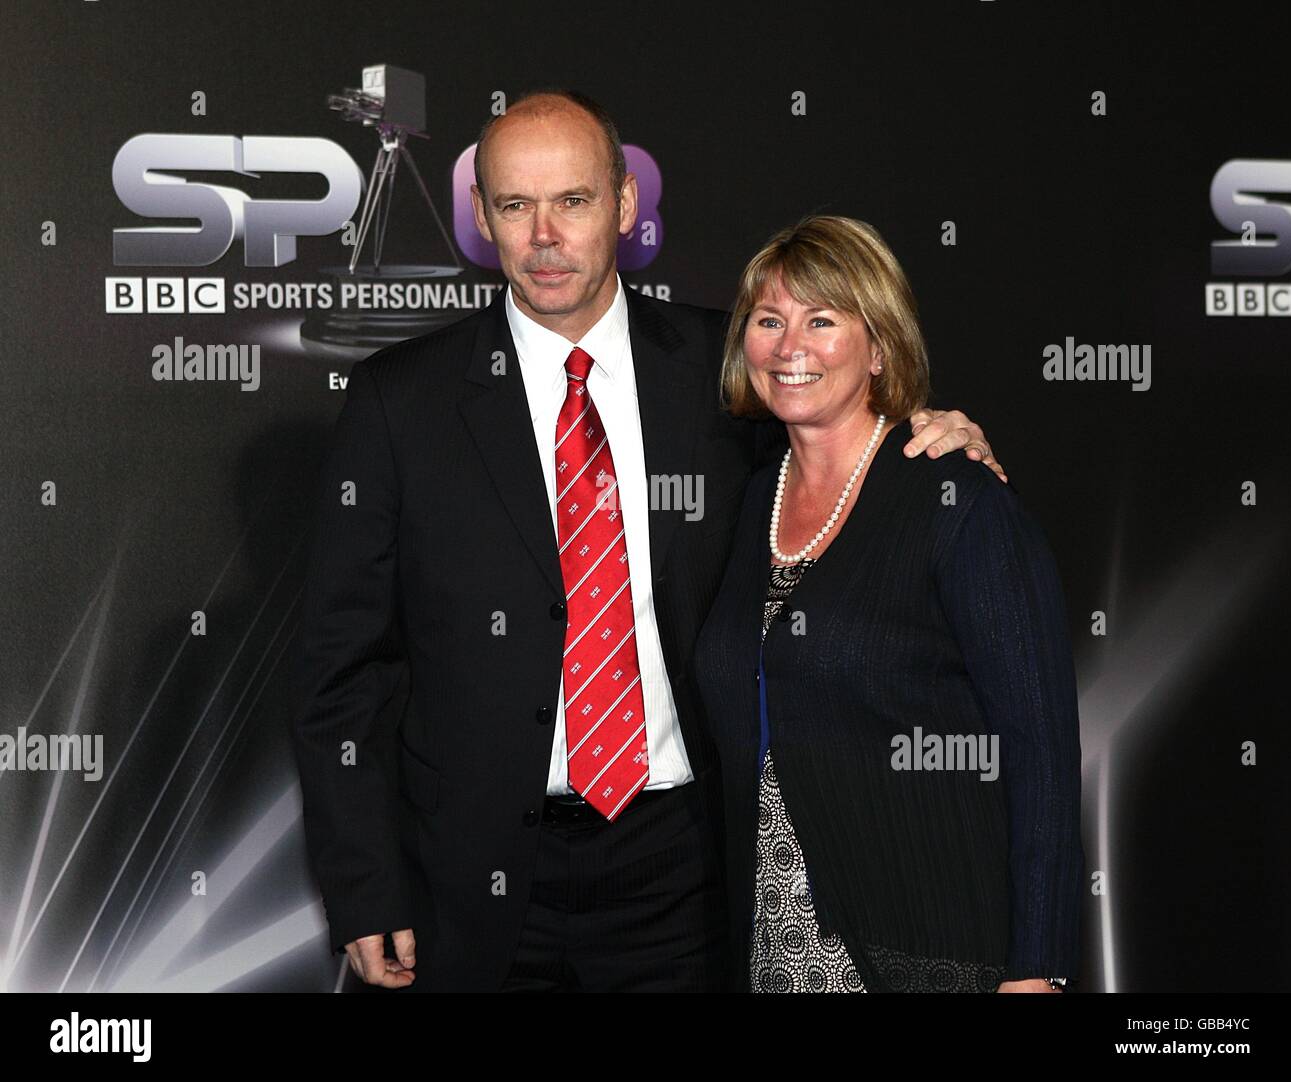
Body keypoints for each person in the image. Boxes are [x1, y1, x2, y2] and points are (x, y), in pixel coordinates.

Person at [288, 91, 1005, 992]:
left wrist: (925, 438)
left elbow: (842, 460)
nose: (544, 235)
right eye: (515, 205)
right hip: (469, 883)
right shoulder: (402, 401)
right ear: (481, 218)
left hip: (689, 871)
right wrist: (363, 885)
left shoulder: (733, 374)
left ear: (626, 206)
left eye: (574, 202)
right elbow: (338, 673)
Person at [693, 215, 1084, 993]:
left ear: (879, 347)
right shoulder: (739, 498)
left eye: (822, 319)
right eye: (769, 320)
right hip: (773, 942)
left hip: (931, 943)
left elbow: (1040, 751)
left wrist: (1038, 970)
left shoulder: (955, 500)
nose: (788, 344)